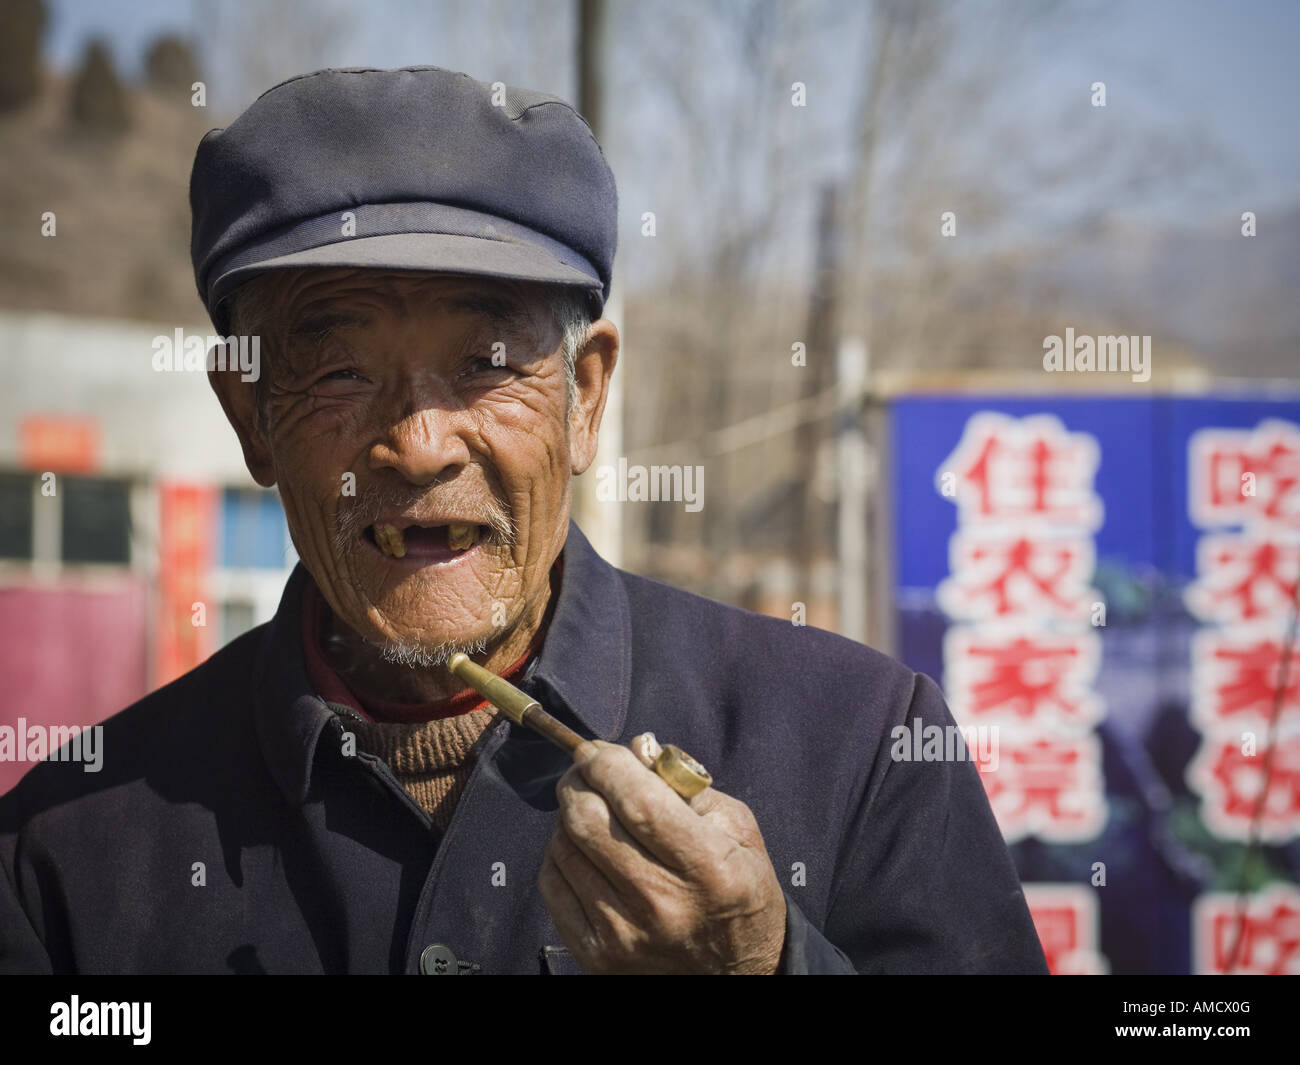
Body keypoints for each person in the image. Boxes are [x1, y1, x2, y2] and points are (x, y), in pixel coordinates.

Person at [0, 66, 1047, 975]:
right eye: (340, 369)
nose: (419, 446)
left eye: (487, 364)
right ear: (251, 418)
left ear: (585, 400)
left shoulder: (858, 748)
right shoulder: (67, 849)